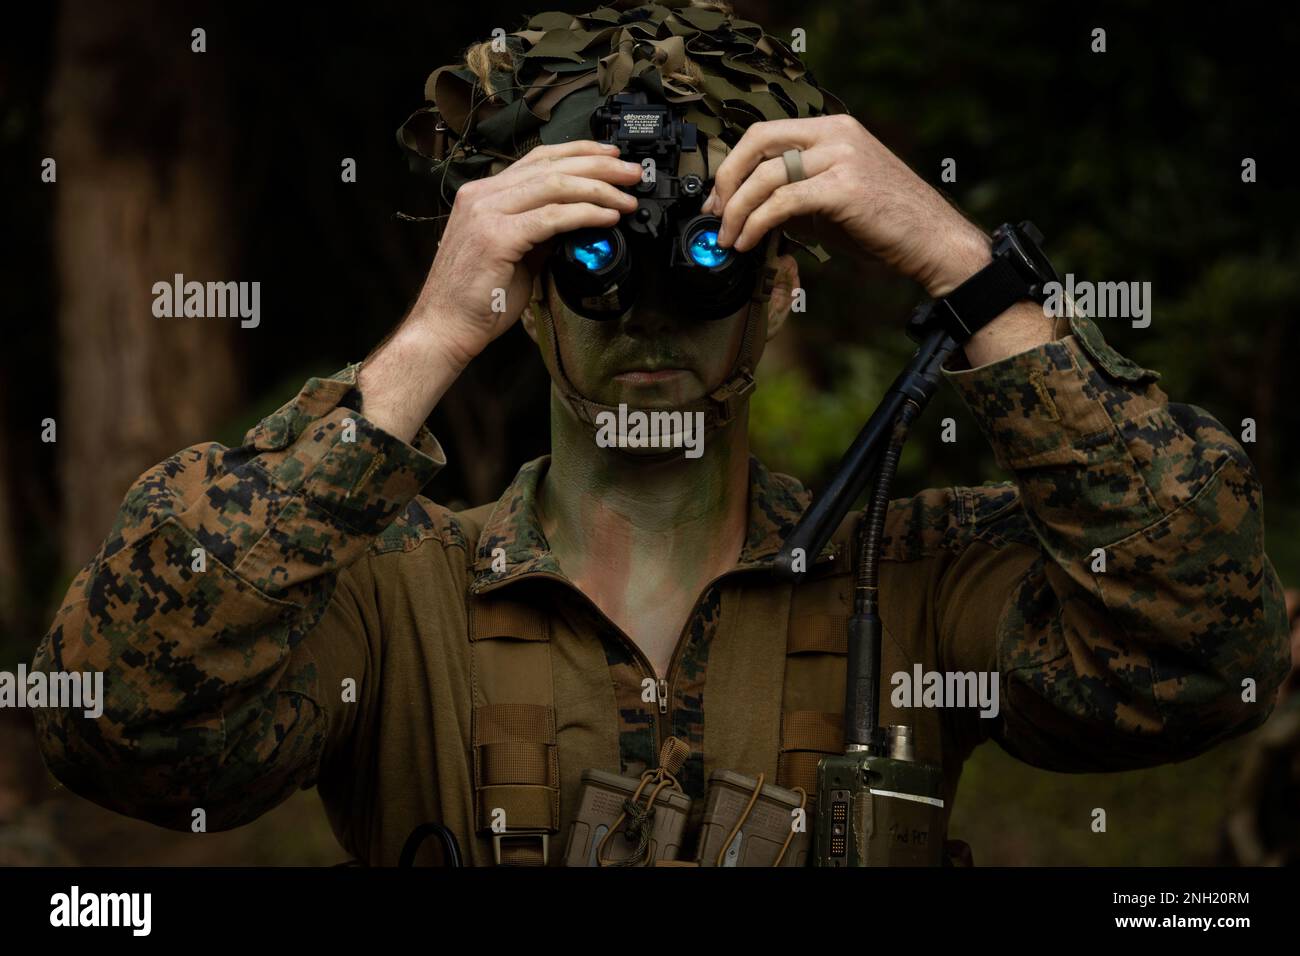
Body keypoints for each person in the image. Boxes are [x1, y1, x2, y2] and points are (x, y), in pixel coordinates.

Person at [32, 0, 1290, 866]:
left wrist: (970, 275)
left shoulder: (905, 577)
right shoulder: (383, 598)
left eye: (710, 264)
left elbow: (1205, 643)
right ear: (520, 294)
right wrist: (423, 342)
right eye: (585, 261)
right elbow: (118, 722)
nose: (647, 312)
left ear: (782, 286)